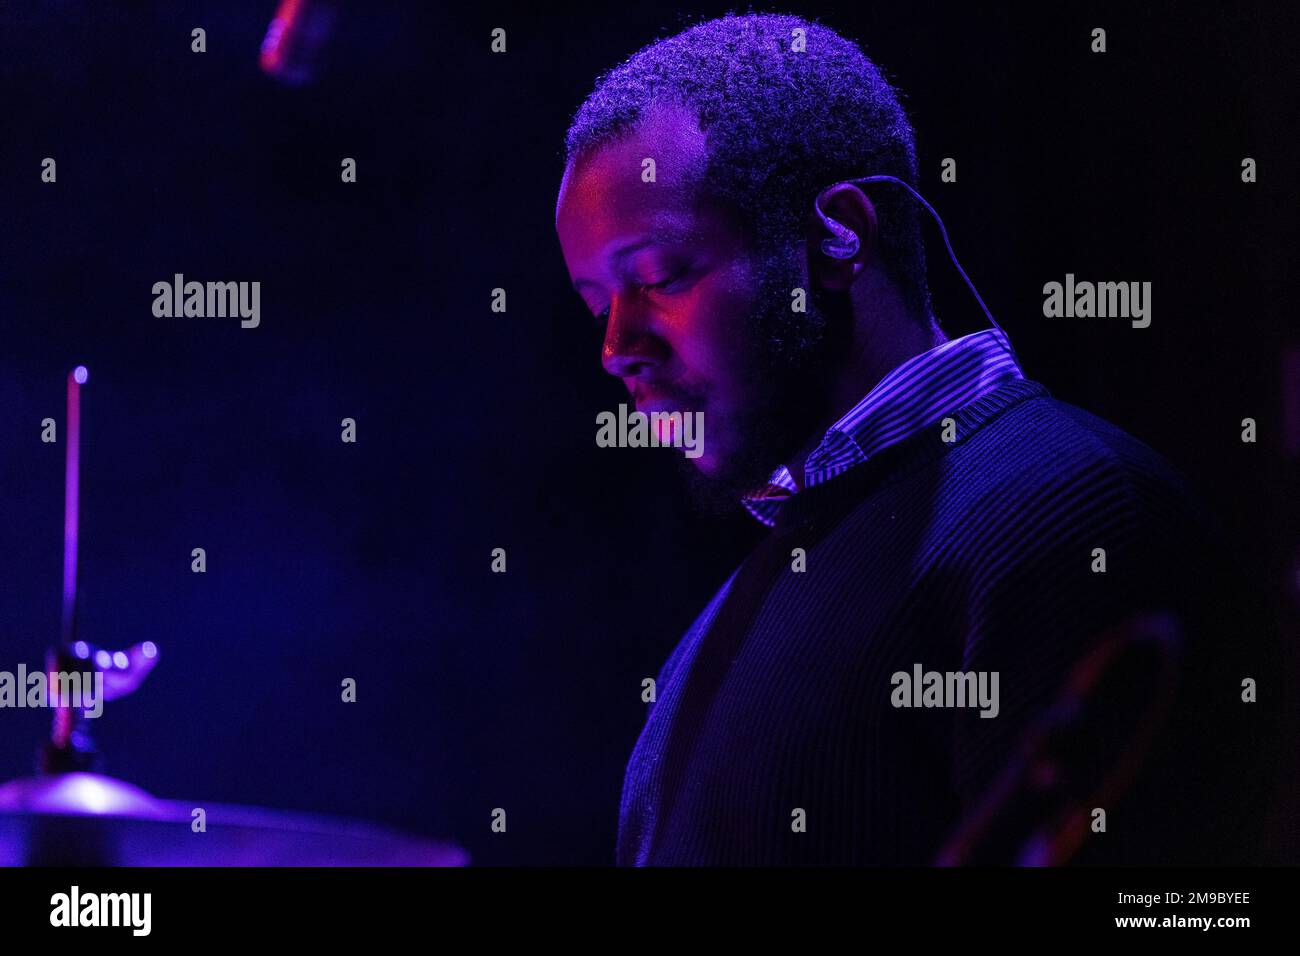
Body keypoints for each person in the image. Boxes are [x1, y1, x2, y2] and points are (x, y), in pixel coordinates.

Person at [555, 13, 1276, 865]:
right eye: (601, 304)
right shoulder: (731, 620)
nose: (615, 349)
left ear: (837, 234)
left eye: (659, 277)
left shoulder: (1075, 515)